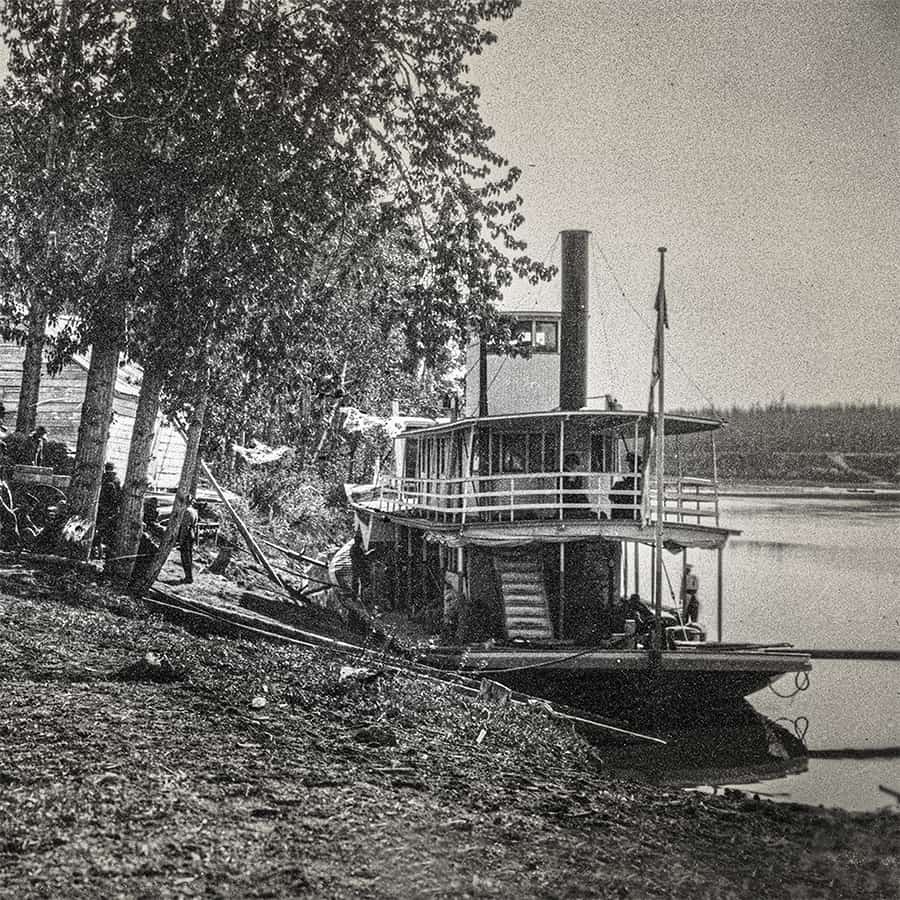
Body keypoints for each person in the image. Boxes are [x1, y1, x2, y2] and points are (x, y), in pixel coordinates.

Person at [94, 462, 122, 559]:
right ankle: (104, 552)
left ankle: (98, 551)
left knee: (99, 530)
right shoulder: (117, 480)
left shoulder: (101, 478)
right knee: (107, 531)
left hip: (101, 509)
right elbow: (118, 496)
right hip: (112, 510)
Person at [610, 452, 642, 520]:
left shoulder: (637, 474)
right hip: (630, 499)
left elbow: (632, 486)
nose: (628, 465)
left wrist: (619, 485)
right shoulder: (634, 473)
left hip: (631, 501)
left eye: (630, 463)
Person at [562, 452, 592, 518]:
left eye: (575, 463)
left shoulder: (577, 474)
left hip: (575, 495)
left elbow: (578, 486)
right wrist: (571, 477)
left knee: (585, 503)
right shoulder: (562, 472)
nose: (574, 466)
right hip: (566, 496)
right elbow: (567, 487)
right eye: (572, 463)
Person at [178, 497, 199, 584]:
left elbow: (185, 527)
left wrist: (181, 540)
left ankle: (188, 577)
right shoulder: (194, 511)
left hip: (187, 537)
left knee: (185, 558)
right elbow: (197, 526)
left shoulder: (187, 512)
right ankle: (189, 577)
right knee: (189, 557)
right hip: (192, 535)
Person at [349, 527, 370, 602]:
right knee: (362, 582)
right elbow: (362, 557)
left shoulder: (354, 548)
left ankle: (355, 597)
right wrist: (369, 553)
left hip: (355, 566)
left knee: (356, 582)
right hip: (358, 567)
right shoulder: (356, 548)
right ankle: (361, 597)